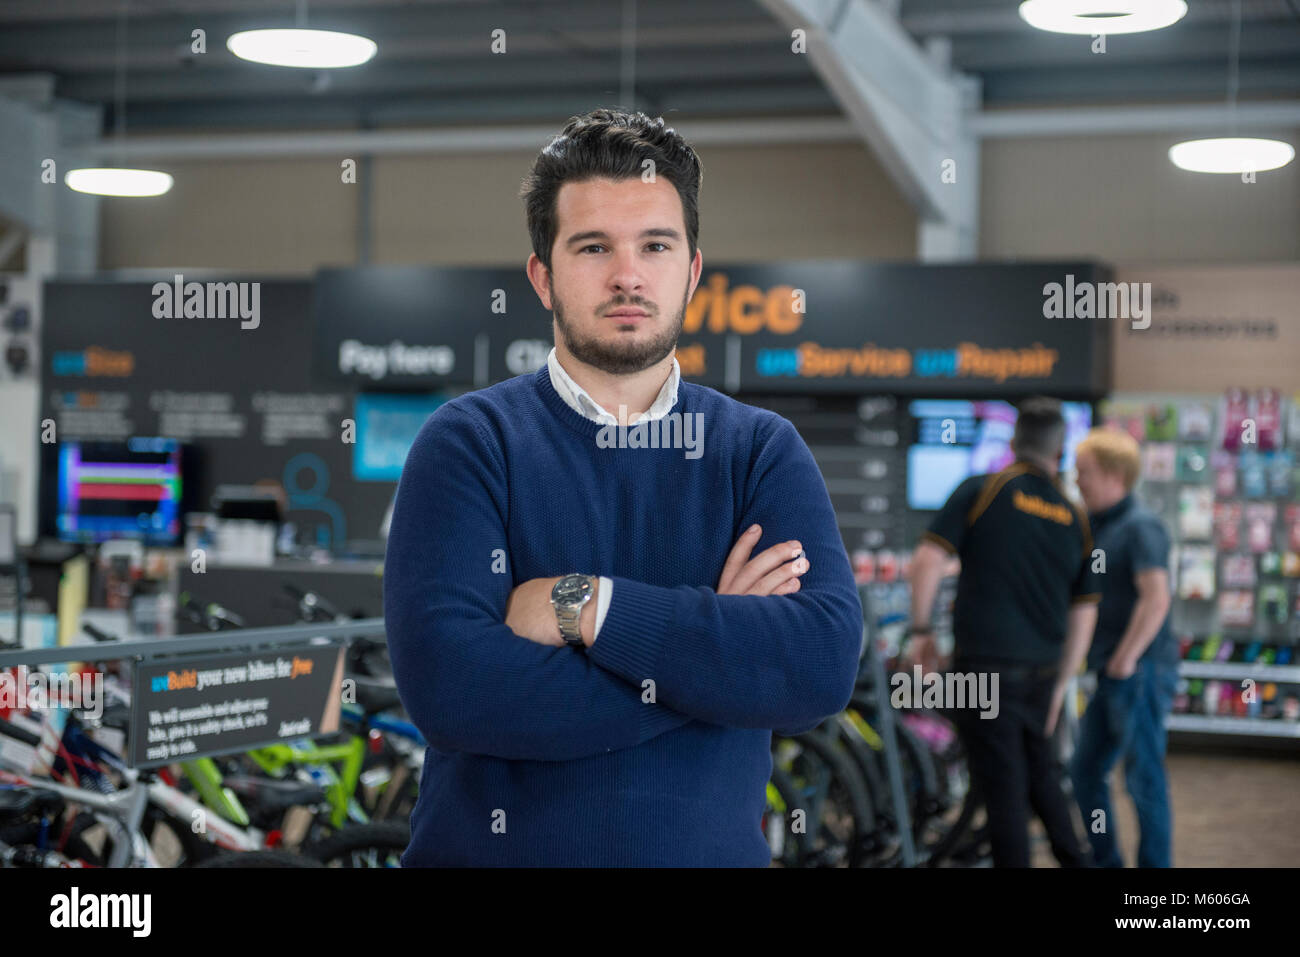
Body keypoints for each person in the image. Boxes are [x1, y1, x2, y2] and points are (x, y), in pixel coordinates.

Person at [383, 108, 864, 866]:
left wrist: (587, 604)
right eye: (593, 246)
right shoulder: (469, 444)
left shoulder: (758, 452)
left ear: (693, 270)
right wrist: (716, 655)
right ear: (543, 275)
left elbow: (819, 665)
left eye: (655, 245)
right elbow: (454, 690)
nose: (628, 274)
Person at [907, 397, 1098, 868]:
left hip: (984, 671)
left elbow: (928, 560)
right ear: (1061, 452)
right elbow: (1084, 612)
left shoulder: (984, 489)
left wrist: (919, 631)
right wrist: (1063, 683)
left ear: (1013, 443)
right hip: (1043, 673)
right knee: (1041, 776)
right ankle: (1077, 860)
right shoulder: (1074, 516)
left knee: (1005, 789)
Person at [1068, 428, 1178, 868]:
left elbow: (1156, 596)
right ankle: (1104, 860)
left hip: (1139, 673)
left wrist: (1126, 658)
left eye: (1085, 473)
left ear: (1115, 474)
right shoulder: (1097, 525)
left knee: (1143, 779)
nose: (1078, 481)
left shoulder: (1141, 527)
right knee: (1085, 772)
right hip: (1112, 673)